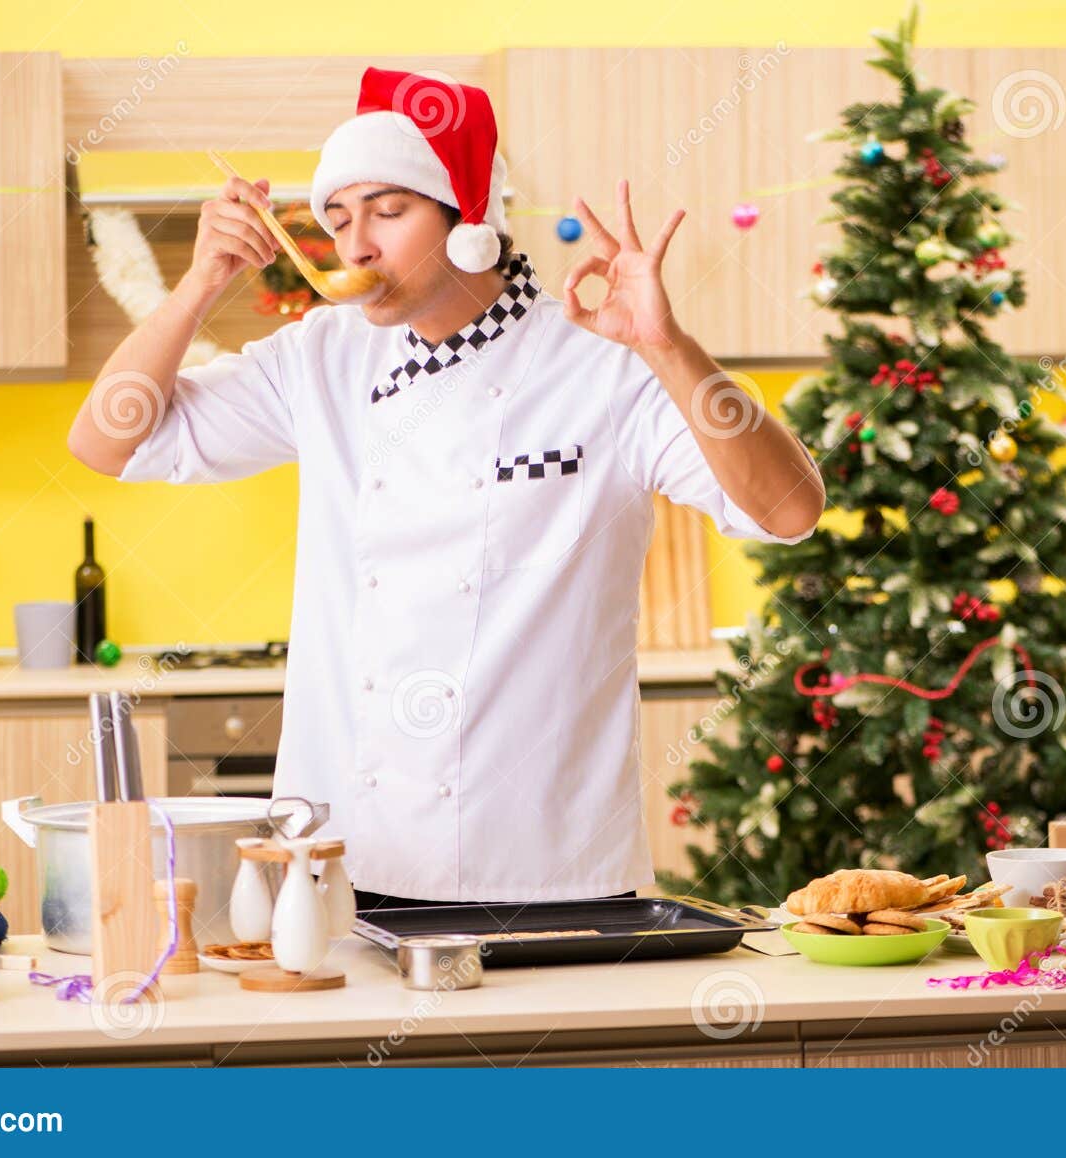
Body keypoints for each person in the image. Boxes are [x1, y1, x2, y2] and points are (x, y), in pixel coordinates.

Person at [68, 67, 824, 910]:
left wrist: (670, 346)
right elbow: (105, 439)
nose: (355, 246)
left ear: (471, 222)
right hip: (339, 857)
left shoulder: (605, 364)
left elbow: (790, 509)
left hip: (544, 867)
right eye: (337, 219)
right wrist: (198, 286)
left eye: (389, 212)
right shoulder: (321, 356)